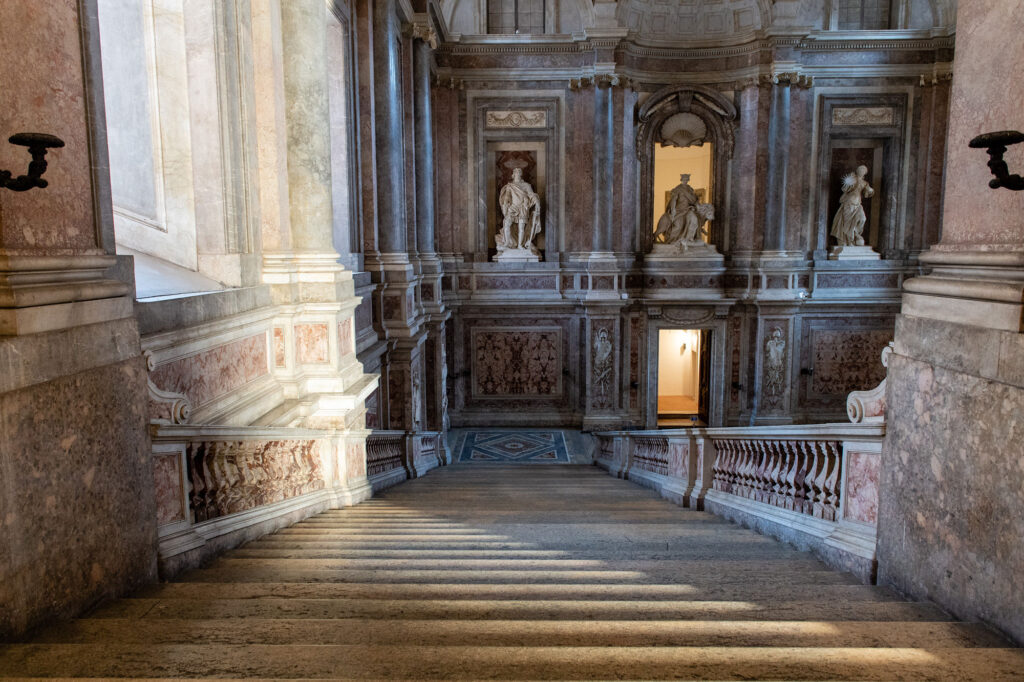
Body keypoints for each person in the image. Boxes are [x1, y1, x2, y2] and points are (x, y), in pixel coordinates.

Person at [497, 168, 541, 251]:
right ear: (513, 175)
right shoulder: (510, 186)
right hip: (512, 207)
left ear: (521, 174)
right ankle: (507, 243)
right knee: (507, 224)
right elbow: (507, 196)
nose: (518, 173)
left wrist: (537, 202)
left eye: (519, 172)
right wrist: (505, 204)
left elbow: (531, 195)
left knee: (521, 227)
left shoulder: (526, 185)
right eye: (516, 172)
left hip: (523, 208)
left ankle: (520, 245)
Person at [830, 165, 874, 247]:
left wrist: (870, 191)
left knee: (862, 219)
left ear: (865, 173)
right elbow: (844, 189)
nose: (861, 171)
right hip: (848, 203)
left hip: (858, 204)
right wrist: (849, 183)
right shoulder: (852, 178)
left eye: (863, 170)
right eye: (860, 169)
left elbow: (867, 194)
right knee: (847, 223)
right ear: (857, 170)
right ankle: (848, 240)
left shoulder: (865, 183)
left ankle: (855, 235)